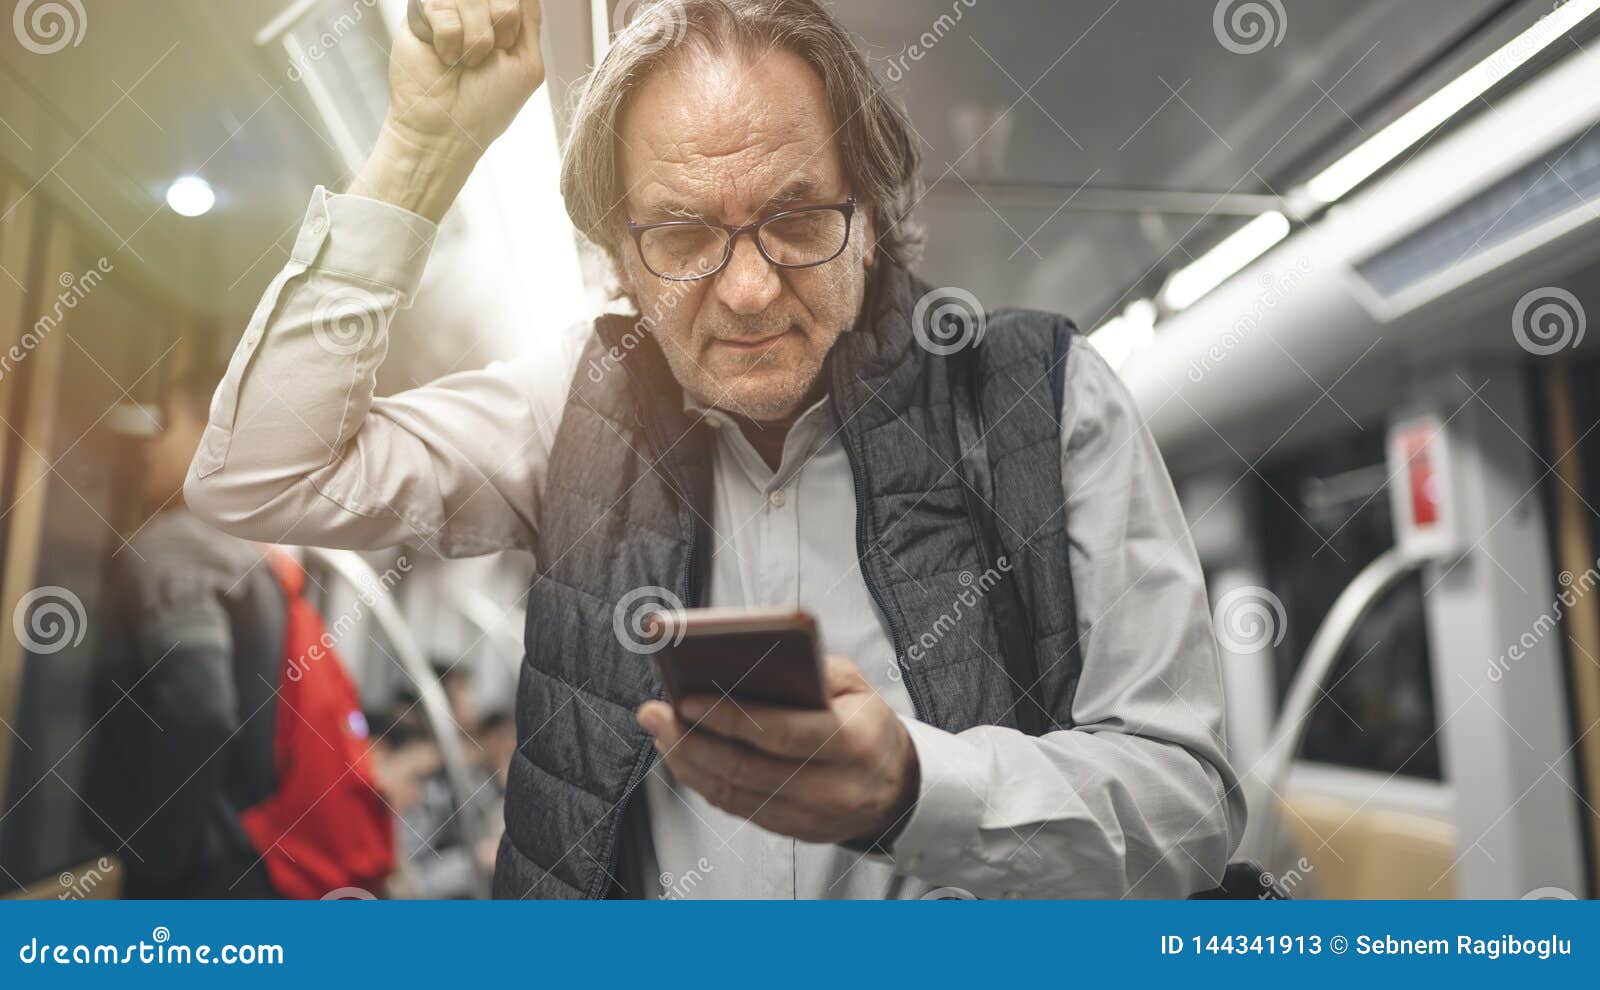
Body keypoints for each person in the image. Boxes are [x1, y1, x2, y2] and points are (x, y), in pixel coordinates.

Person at [186, 0, 1245, 899]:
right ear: (621, 264)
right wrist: (421, 150)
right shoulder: (573, 411)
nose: (747, 289)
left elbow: (1189, 809)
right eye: (683, 236)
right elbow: (262, 476)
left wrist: (913, 792)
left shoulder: (1039, 401)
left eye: (795, 219)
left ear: (869, 215)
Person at [88, 363, 395, 899]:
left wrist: (158, 862)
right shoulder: (258, 555)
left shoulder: (175, 546)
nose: (149, 448)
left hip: (195, 882)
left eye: (170, 426)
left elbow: (198, 707)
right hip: (256, 867)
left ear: (212, 436)